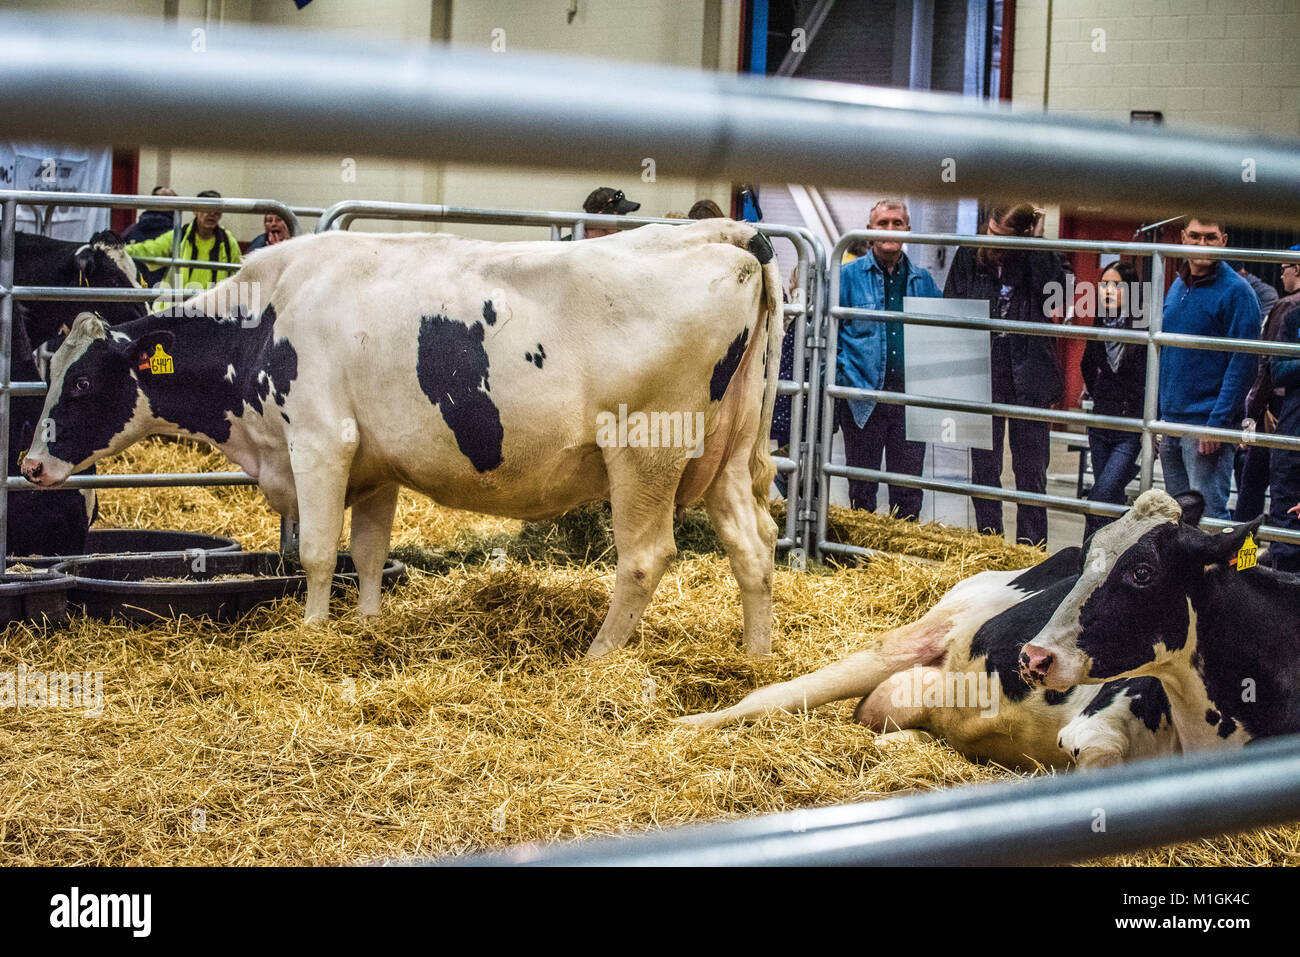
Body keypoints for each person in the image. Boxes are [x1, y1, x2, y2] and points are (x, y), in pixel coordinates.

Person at [944, 203, 1064, 548]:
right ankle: (990, 545)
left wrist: (1034, 247)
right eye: (991, 232)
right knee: (984, 469)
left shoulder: (1041, 257)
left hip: (1030, 373)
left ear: (1023, 235)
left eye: (1004, 238)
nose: (994, 242)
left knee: (1031, 470)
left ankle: (1030, 550)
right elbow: (951, 305)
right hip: (984, 369)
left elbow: (1055, 300)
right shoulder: (969, 255)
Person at [835, 199, 942, 520]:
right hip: (863, 398)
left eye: (897, 223)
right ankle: (857, 549)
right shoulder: (846, 276)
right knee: (862, 488)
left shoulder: (924, 281)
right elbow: (828, 336)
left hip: (910, 400)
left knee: (908, 491)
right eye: (883, 223)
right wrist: (840, 382)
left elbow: (942, 335)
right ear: (870, 231)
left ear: (908, 229)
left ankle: (901, 549)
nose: (890, 229)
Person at [1157, 217, 1260, 521]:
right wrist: (1159, 414)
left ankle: (1237, 557)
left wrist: (1217, 422)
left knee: (1211, 516)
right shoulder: (1177, 286)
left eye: (1210, 237)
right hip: (1172, 421)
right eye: (1195, 236)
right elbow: (1167, 353)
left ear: (1223, 241)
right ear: (1183, 238)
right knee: (1178, 517)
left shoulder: (1238, 292)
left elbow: (1244, 362)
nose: (1202, 244)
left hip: (1206, 423)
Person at [1079, 260, 1147, 541]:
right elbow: (1087, 363)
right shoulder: (1100, 321)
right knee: (1110, 496)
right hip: (1101, 422)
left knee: (1101, 495)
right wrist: (1098, 393)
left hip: (1129, 428)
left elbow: (1150, 375)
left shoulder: (1143, 325)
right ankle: (1114, 555)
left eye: (1116, 285)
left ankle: (1086, 555)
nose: (1108, 290)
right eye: (1104, 284)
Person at [1237, 245, 1300, 522]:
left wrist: (1251, 412)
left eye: (1284, 268)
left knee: (1252, 486)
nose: (1281, 275)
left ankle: (1243, 549)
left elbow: (1267, 366)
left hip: (1275, 412)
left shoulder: (1288, 306)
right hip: (1285, 410)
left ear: (1296, 269)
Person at [124, 189, 241, 295]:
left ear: (221, 215)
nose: (212, 214)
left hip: (213, 306)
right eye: (206, 209)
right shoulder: (179, 236)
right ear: (195, 210)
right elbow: (150, 249)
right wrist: (120, 251)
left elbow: (239, 275)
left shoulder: (229, 243)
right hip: (179, 305)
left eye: (217, 211)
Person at [565, 187, 639, 239]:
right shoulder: (566, 247)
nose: (622, 221)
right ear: (600, 216)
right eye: (620, 213)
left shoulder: (619, 247)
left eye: (624, 214)